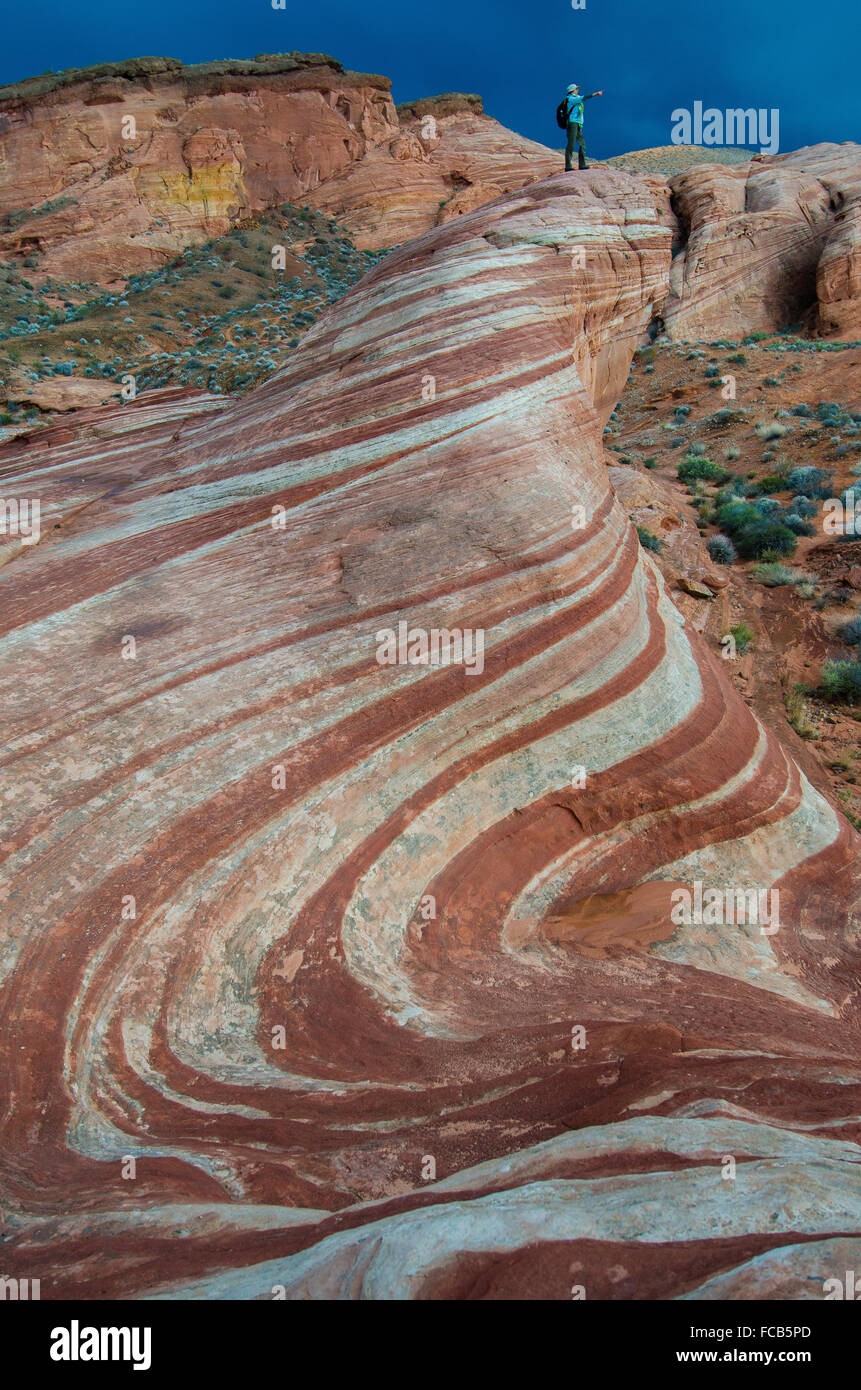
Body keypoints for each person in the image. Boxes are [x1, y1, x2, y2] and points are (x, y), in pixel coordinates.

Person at [563, 82, 603, 170]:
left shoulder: (576, 99)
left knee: (582, 144)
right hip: (572, 123)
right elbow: (584, 98)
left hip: (577, 124)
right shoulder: (571, 99)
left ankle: (582, 164)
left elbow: (579, 115)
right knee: (571, 144)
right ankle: (568, 166)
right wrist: (596, 94)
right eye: (576, 89)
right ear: (572, 90)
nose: (578, 90)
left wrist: (580, 126)